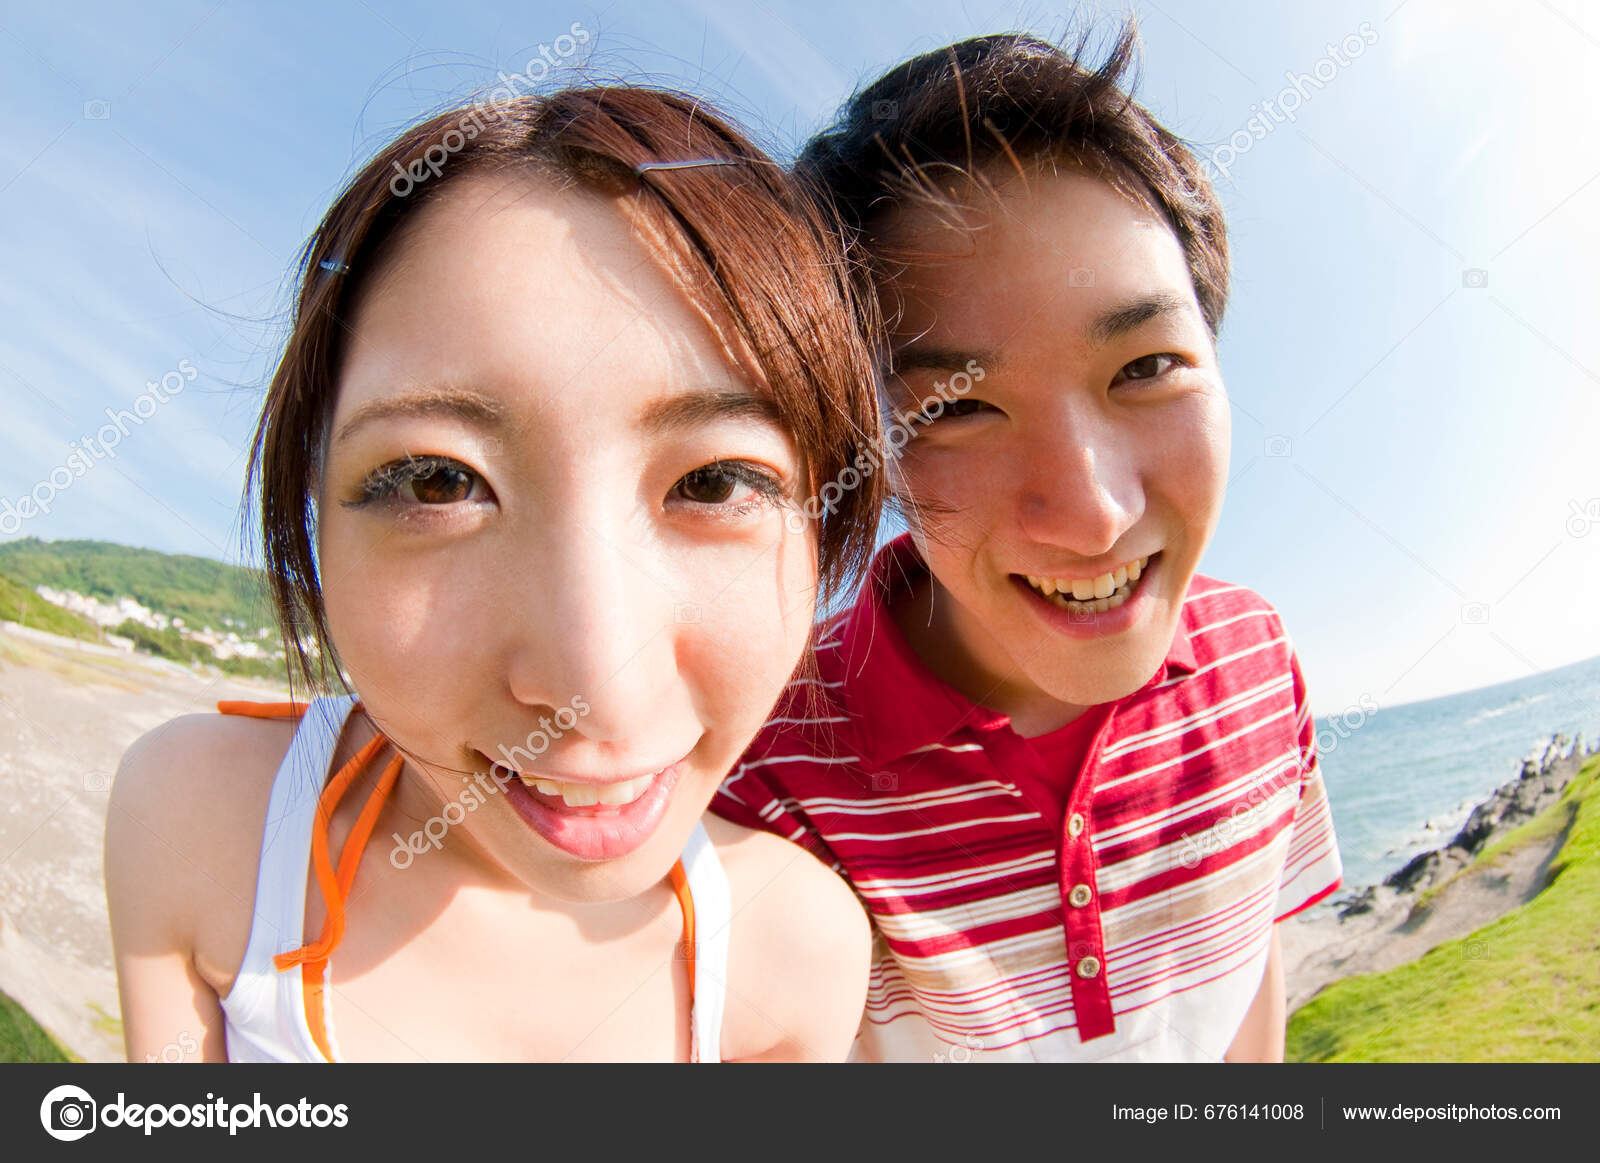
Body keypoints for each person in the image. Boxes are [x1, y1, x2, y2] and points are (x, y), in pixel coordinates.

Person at [105, 84, 880, 1062]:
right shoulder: (202, 819)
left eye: (715, 481)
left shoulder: (794, 955)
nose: (594, 690)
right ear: (313, 513)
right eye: (437, 480)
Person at [712, 25, 1342, 1061]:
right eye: (958, 410)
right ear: (868, 448)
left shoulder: (1258, 660)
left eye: (1145, 367)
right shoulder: (772, 776)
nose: (1094, 513)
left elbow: (1247, 952)